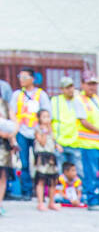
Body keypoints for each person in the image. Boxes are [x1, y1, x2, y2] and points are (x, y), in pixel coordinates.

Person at [75, 76, 99, 210]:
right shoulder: (79, 100)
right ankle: (92, 200)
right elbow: (83, 121)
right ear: (82, 85)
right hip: (89, 144)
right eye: (89, 84)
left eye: (94, 84)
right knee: (91, 174)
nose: (92, 87)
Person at [11, 67, 50, 200]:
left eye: (25, 77)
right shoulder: (17, 95)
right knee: (24, 162)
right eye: (20, 77)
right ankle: (26, 191)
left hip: (36, 132)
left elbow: (47, 114)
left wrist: (45, 133)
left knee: (40, 161)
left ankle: (41, 191)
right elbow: (12, 113)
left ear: (32, 79)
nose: (22, 80)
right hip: (21, 131)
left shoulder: (41, 94)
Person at [52, 77, 83, 170]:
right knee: (62, 174)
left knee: (78, 172)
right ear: (62, 89)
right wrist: (54, 142)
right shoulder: (55, 101)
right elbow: (49, 122)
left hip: (76, 143)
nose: (70, 90)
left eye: (71, 87)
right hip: (60, 143)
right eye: (67, 88)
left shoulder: (78, 100)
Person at [32, 109, 59, 211]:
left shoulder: (51, 129)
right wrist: (44, 131)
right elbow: (42, 142)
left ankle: (51, 202)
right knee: (41, 179)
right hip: (42, 156)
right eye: (44, 117)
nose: (47, 119)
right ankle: (40, 202)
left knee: (53, 180)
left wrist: (57, 146)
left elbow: (52, 141)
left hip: (51, 155)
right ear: (39, 118)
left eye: (48, 117)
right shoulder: (38, 130)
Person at [0, 92, 20, 215]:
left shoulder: (6, 105)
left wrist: (12, 134)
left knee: (3, 175)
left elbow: (15, 122)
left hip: (4, 145)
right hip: (2, 137)